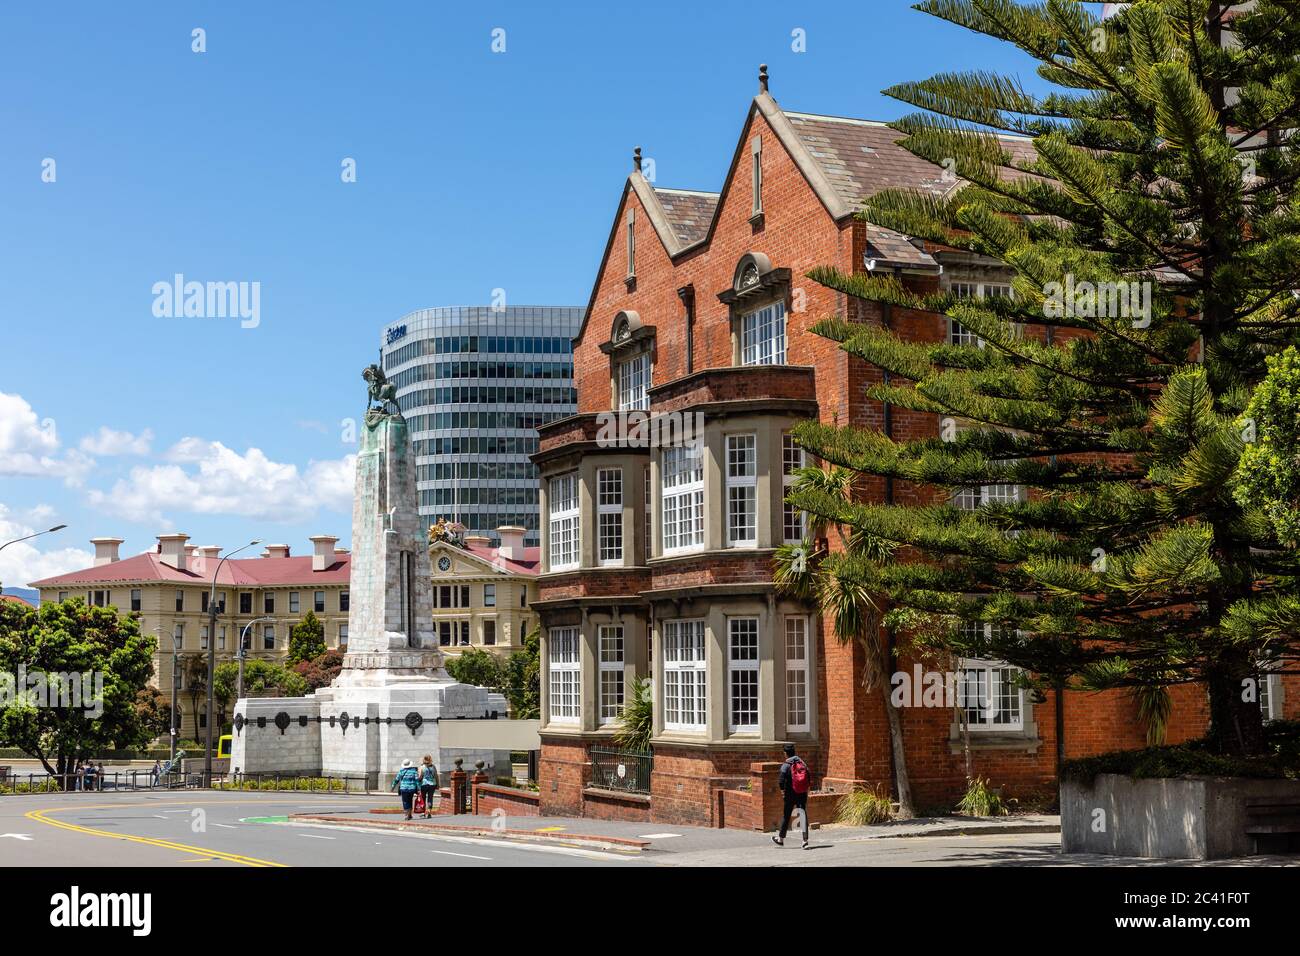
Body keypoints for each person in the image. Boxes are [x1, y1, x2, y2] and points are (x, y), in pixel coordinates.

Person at [772, 744, 811, 849]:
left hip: (790, 794)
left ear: (785, 753)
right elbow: (808, 775)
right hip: (802, 793)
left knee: (786, 815)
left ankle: (781, 839)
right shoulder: (802, 762)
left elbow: (781, 780)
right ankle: (805, 841)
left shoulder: (786, 765)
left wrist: (782, 791)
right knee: (802, 814)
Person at [418, 755, 439, 819]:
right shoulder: (433, 767)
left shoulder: (422, 767)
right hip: (432, 784)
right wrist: (438, 784)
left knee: (423, 798)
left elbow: (420, 777)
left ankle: (423, 812)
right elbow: (436, 776)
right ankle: (429, 812)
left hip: (424, 784)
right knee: (430, 798)